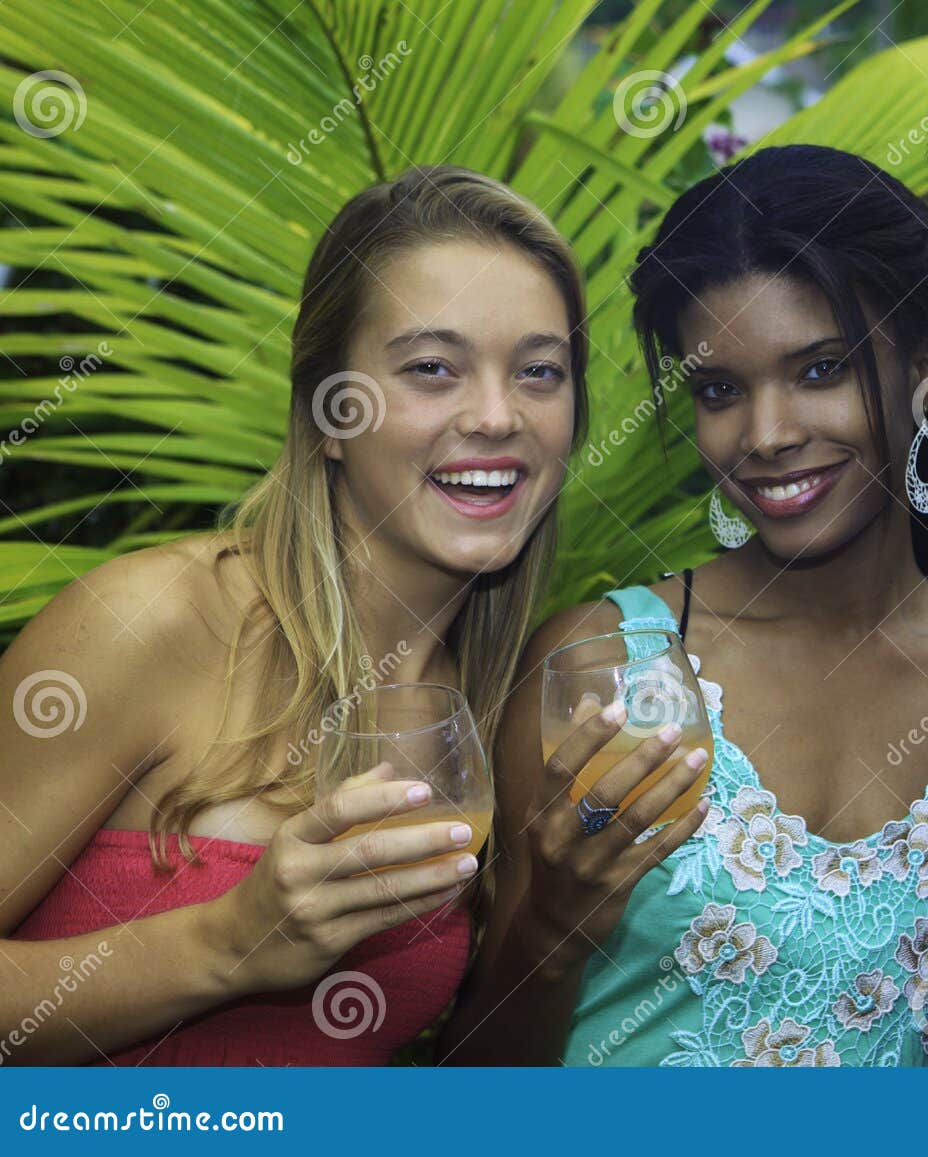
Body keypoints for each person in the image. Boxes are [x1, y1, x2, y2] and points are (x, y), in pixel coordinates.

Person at [444, 144, 928, 1066]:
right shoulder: (606, 664)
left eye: (820, 370)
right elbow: (471, 1089)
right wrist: (551, 926)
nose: (766, 435)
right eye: (721, 390)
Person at [0, 166, 587, 1064]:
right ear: (327, 414)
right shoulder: (153, 622)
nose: (499, 415)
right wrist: (226, 943)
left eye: (540, 371)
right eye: (433, 368)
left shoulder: (501, 702)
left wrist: (560, 912)